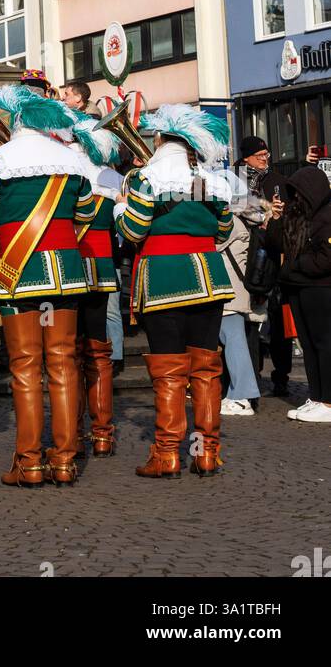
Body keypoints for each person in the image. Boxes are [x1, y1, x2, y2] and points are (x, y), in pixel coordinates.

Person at [0, 85, 95, 488]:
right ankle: (65, 460)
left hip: (21, 275)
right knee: (63, 364)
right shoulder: (72, 160)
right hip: (66, 275)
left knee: (25, 368)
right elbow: (86, 212)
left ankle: (30, 461)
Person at [115, 104, 234, 478]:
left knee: (169, 371)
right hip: (209, 279)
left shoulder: (146, 177)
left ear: (160, 138)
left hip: (164, 280)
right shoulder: (207, 180)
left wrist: (119, 210)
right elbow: (223, 232)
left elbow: (134, 230)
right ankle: (205, 453)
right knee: (205, 369)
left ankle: (167, 454)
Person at [62, 108, 125, 458]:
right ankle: (103, 432)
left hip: (69, 267)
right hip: (101, 266)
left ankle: (74, 430)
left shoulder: (63, 173)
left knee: (69, 351)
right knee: (98, 349)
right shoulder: (110, 178)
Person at [265, 166, 331, 422]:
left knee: (324, 345)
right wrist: (277, 218)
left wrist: (295, 267)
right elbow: (275, 242)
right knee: (309, 346)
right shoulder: (298, 215)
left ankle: (327, 400)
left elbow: (325, 259)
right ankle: (317, 397)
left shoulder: (326, 216)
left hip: (320, 288)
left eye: (298, 193)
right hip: (299, 287)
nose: (295, 199)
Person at [235, 135, 291, 397]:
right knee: (248, 320)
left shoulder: (276, 179)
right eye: (259, 155)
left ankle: (282, 376)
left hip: (273, 255)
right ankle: (252, 375)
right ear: (246, 157)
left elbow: (287, 214)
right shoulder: (233, 179)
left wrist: (277, 218)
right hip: (245, 256)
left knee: (278, 320)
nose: (265, 158)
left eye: (267, 154)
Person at [218, 190, 267, 415]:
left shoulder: (233, 223)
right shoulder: (248, 220)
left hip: (230, 291)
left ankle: (242, 396)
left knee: (234, 342)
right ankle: (236, 393)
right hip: (236, 290)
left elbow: (213, 245)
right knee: (235, 340)